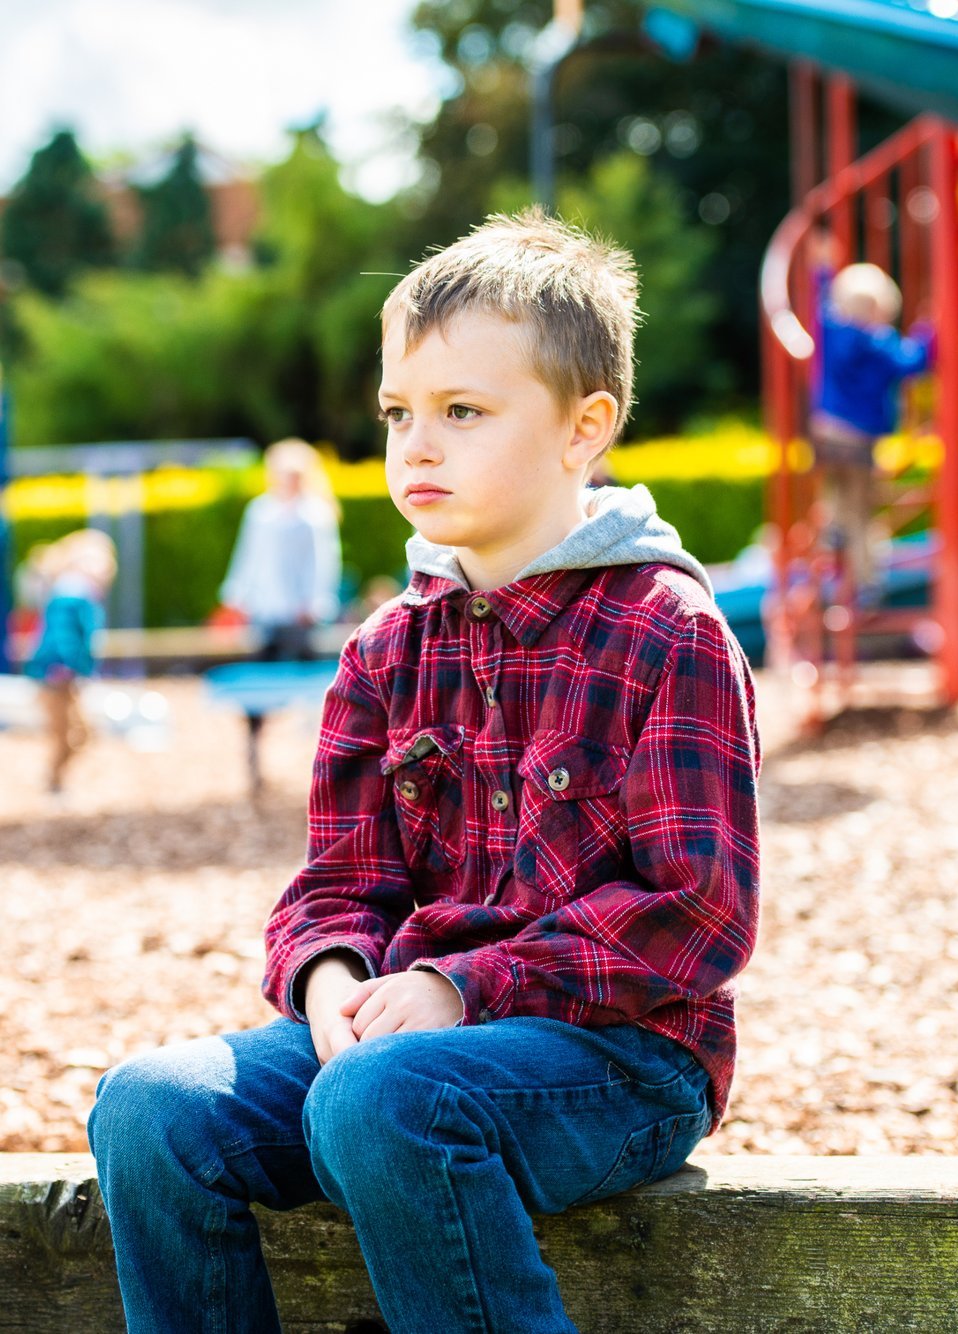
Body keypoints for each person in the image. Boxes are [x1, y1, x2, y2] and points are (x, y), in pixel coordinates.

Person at [87, 207, 761, 1331]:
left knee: (380, 1098)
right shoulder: (385, 647)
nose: (418, 444)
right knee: (150, 1107)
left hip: (624, 1058)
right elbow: (337, 885)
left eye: (462, 411)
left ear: (581, 428)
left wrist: (465, 984)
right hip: (400, 1050)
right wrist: (328, 981)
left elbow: (697, 912)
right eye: (400, 412)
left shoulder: (666, 630)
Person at [810, 248, 934, 600]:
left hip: (826, 430)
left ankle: (832, 531)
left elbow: (817, 299)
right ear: (879, 310)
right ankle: (867, 581)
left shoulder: (829, 329)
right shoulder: (880, 343)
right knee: (862, 511)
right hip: (860, 439)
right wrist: (930, 328)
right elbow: (915, 362)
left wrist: (821, 272)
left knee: (834, 490)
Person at [220, 437, 343, 662]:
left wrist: (316, 603)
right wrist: (236, 596)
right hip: (265, 609)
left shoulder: (316, 514)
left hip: (300, 612)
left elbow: (324, 562)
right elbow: (247, 556)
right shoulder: (260, 511)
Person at [21, 528, 115, 795]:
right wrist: (68, 663)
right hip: (57, 673)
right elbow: (63, 634)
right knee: (67, 733)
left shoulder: (76, 592)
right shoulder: (71, 592)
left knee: (79, 732)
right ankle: (53, 784)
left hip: (64, 673)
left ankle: (58, 782)